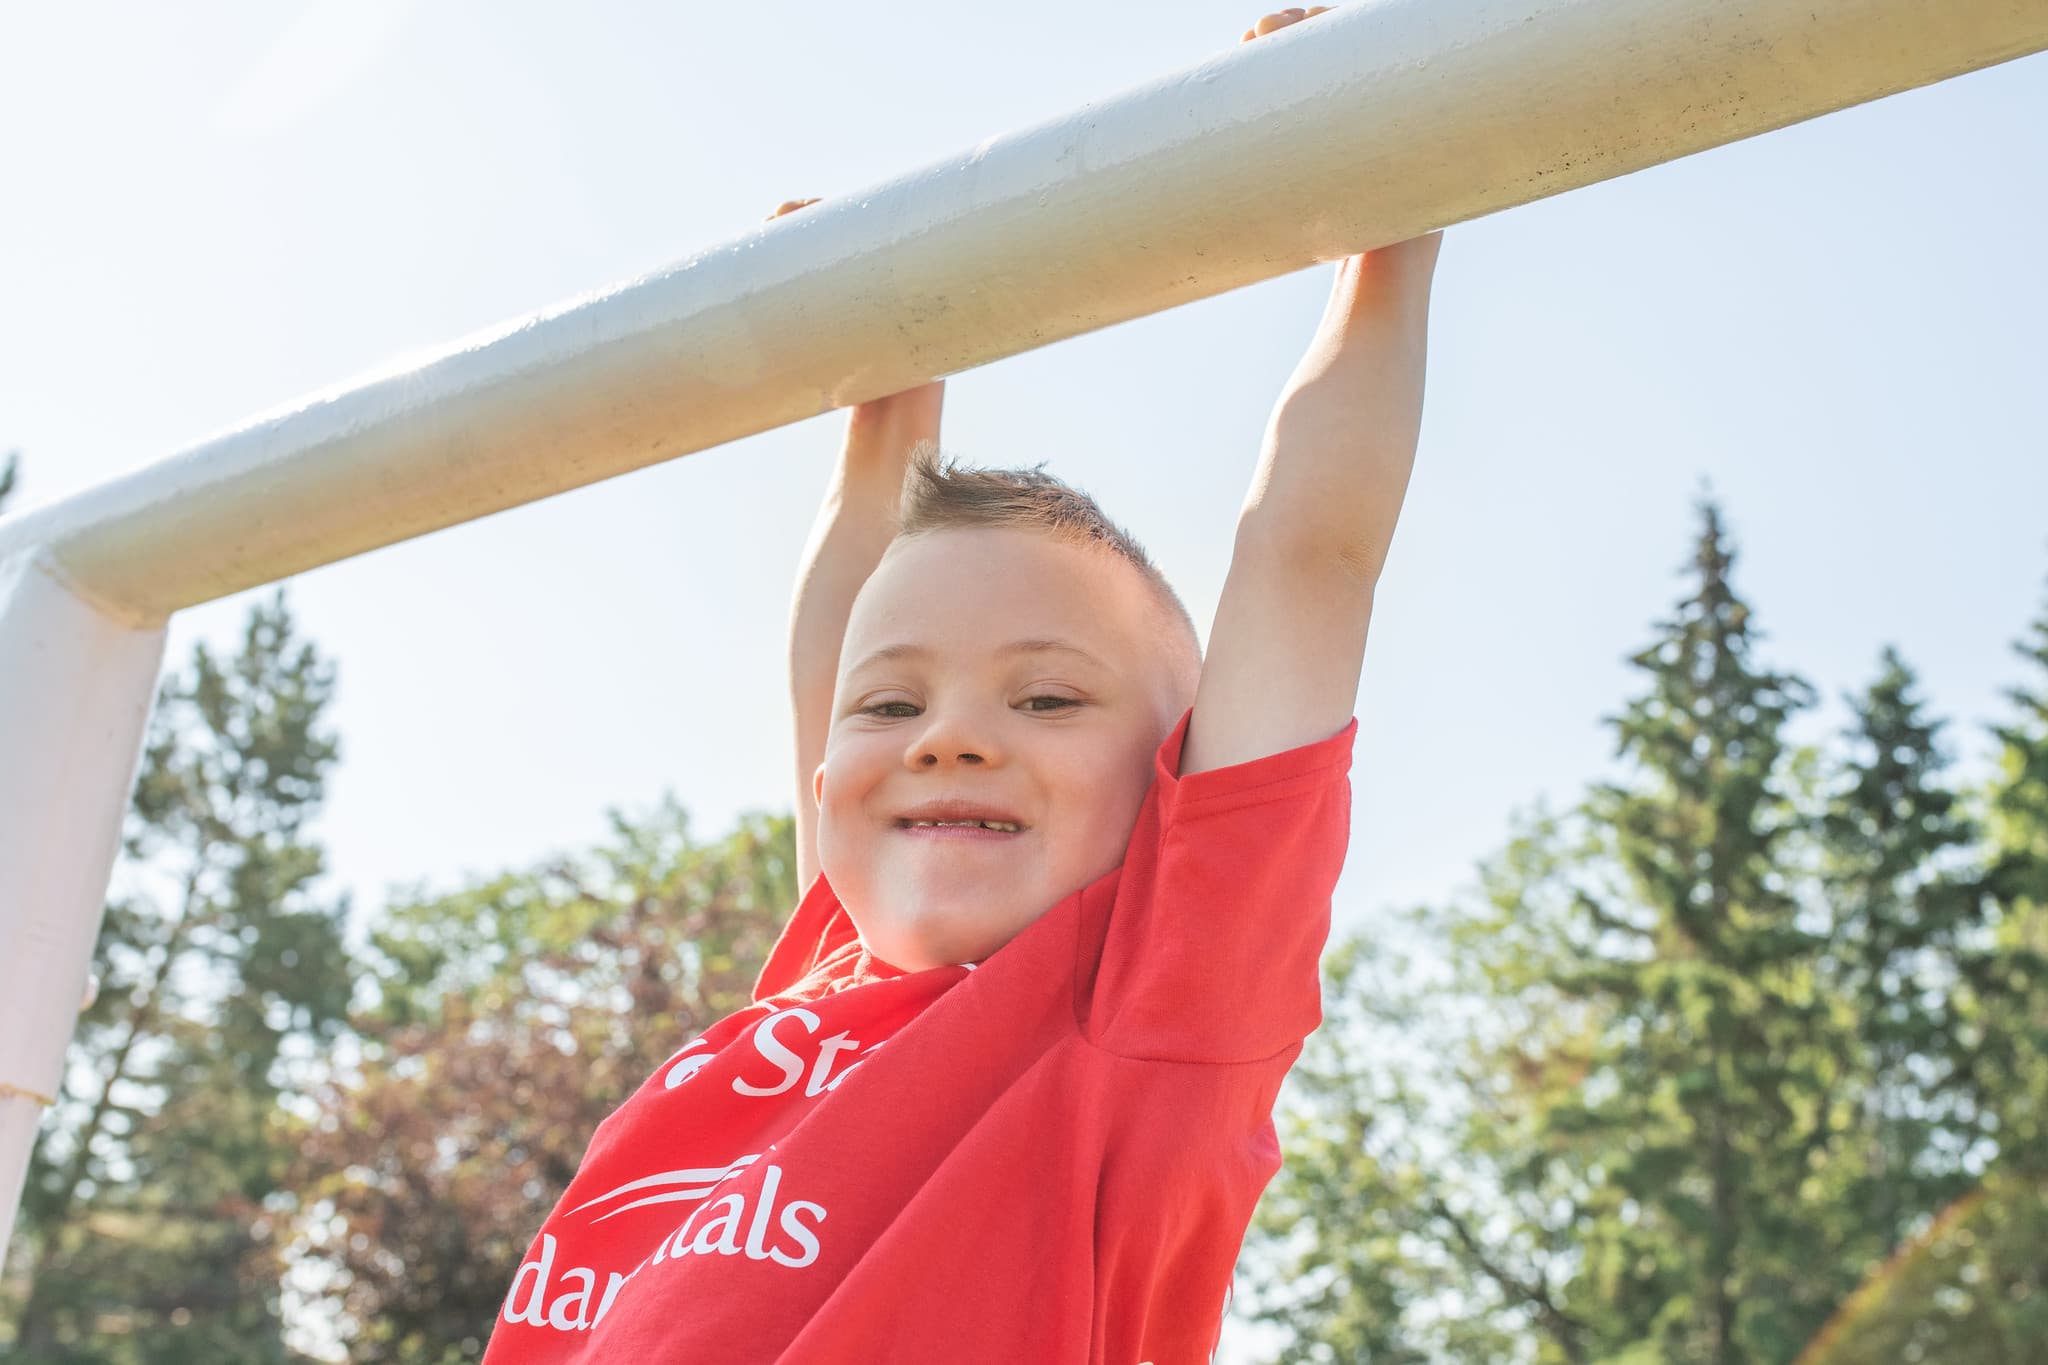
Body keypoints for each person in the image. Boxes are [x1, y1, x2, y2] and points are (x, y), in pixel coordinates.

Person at [480, 7, 1442, 1360]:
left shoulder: (1144, 1009)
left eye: (1046, 699)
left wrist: (1387, 206)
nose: (948, 740)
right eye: (895, 707)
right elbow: (838, 648)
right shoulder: (826, 970)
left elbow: (1310, 557)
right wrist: (886, 384)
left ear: (1181, 786)